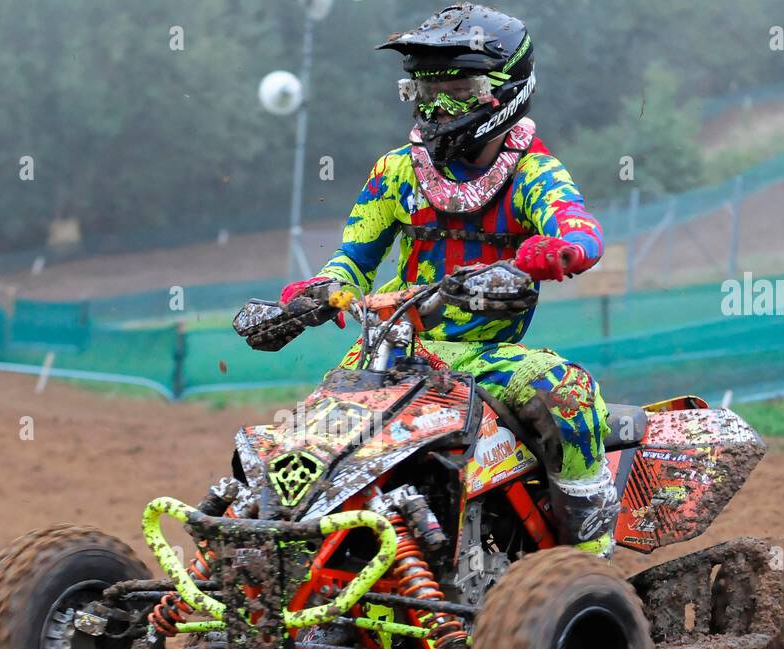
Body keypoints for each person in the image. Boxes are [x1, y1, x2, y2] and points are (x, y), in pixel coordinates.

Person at [243, 3, 618, 555]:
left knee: (569, 390)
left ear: (504, 89)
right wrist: (310, 298)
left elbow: (582, 233)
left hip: (485, 360)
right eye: (423, 90)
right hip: (389, 353)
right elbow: (351, 259)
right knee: (306, 447)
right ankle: (288, 555)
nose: (438, 106)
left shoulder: (532, 172)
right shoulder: (395, 171)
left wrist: (541, 255)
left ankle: (589, 557)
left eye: (458, 89)